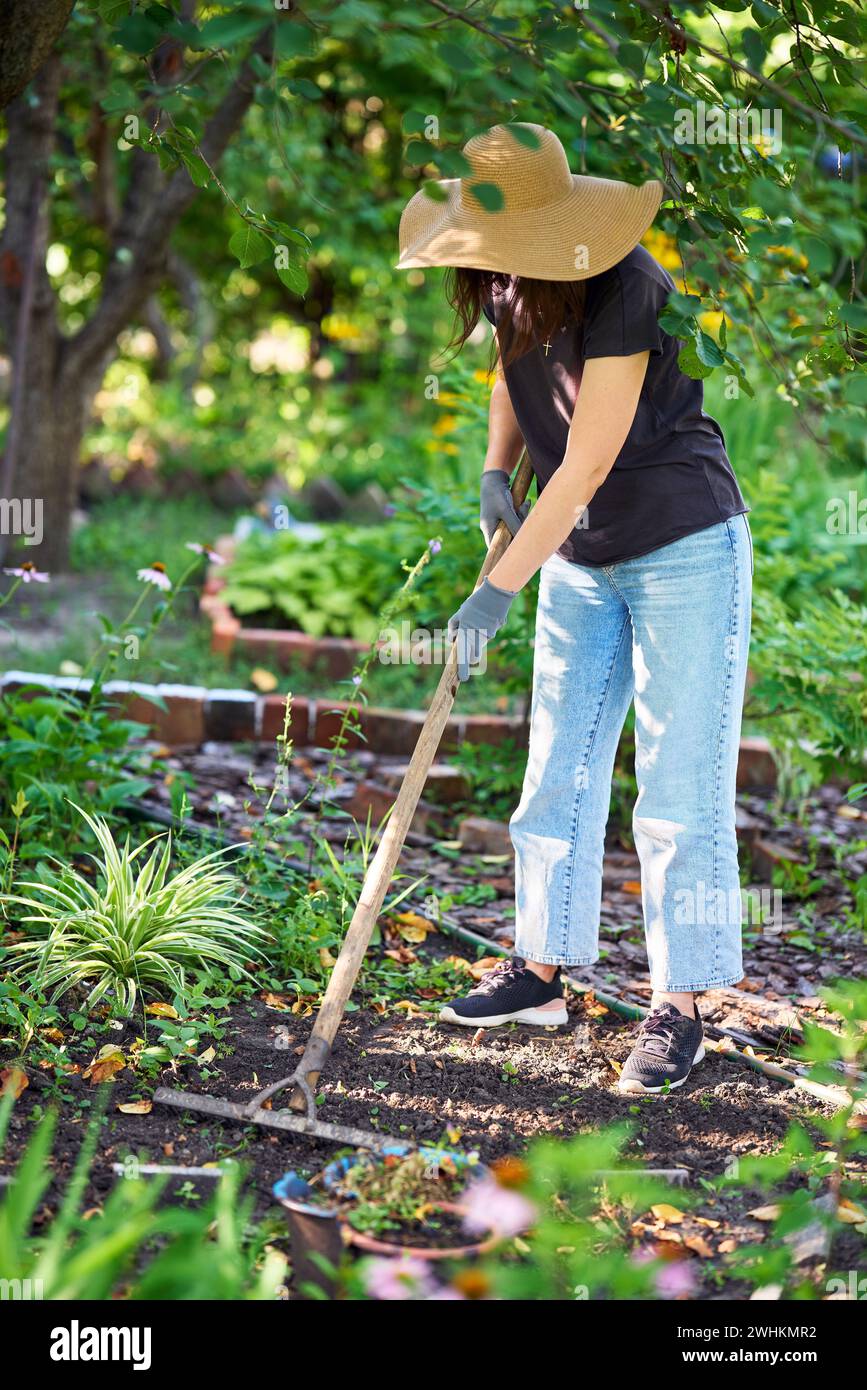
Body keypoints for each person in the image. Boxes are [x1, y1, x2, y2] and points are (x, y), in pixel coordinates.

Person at [396, 124, 752, 1094]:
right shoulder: (509, 267)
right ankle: (541, 971)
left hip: (682, 542)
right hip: (580, 550)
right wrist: (492, 474)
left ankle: (680, 1008)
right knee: (558, 764)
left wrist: (494, 591)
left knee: (679, 786)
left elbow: (592, 452)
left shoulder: (627, 282)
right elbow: (510, 372)